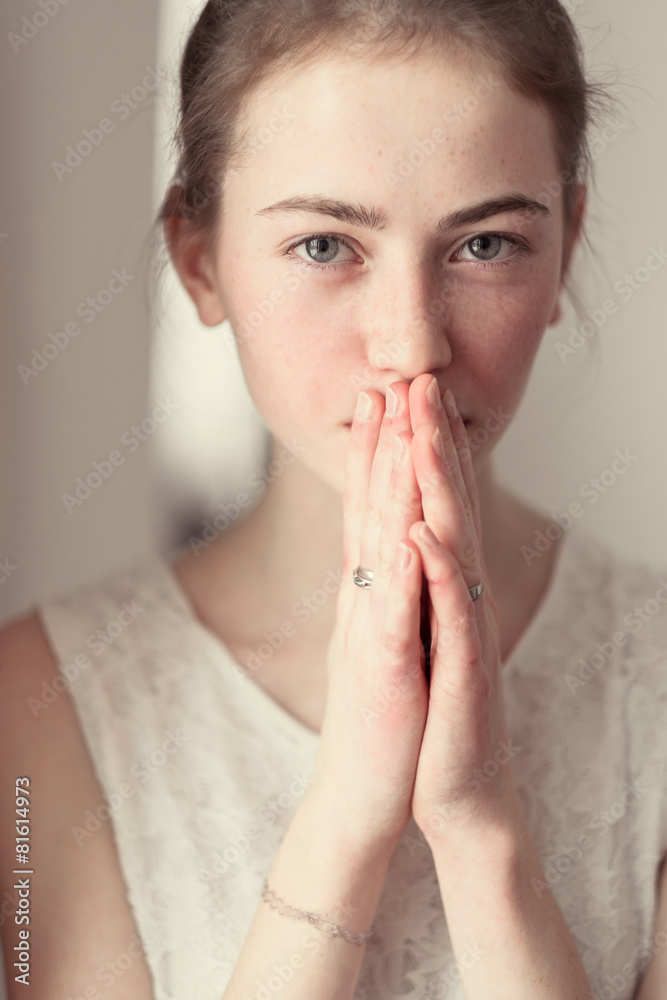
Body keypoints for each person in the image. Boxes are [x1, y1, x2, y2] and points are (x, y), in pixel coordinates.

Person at [1, 1, 666, 998]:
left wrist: (478, 830)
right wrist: (347, 821)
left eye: (485, 245)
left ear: (565, 242)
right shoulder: (36, 709)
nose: (411, 344)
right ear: (198, 258)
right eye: (323, 246)